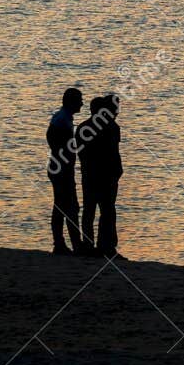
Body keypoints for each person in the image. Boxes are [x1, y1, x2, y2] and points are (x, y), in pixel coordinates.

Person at [78, 94, 123, 258]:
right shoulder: (112, 128)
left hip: (89, 175)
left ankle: (89, 245)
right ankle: (107, 247)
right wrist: (117, 171)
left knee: (89, 210)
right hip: (106, 177)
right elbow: (113, 154)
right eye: (115, 109)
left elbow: (81, 155)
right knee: (107, 211)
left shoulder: (83, 127)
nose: (117, 112)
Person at [46, 87, 83, 254]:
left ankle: (68, 243)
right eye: (79, 100)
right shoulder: (61, 119)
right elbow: (53, 138)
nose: (82, 103)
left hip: (61, 167)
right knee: (66, 206)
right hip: (61, 169)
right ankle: (64, 244)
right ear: (71, 102)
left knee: (65, 206)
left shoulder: (62, 118)